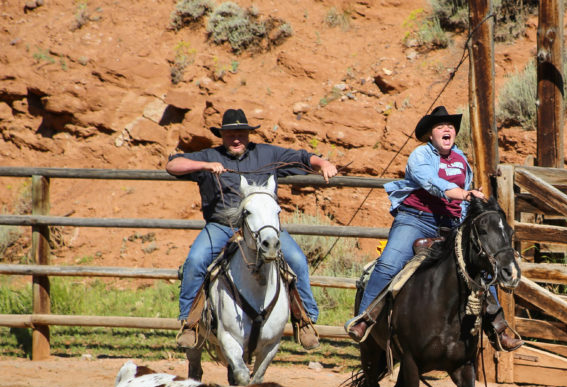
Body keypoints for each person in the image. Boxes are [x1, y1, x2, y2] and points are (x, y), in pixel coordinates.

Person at [345, 105, 522, 351]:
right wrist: (464, 194)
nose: (447, 129)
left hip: (450, 225)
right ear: (430, 134)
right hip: (416, 219)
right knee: (389, 264)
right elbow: (433, 183)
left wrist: (471, 208)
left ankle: (498, 328)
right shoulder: (421, 156)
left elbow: (463, 198)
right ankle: (365, 319)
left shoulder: (462, 160)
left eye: (450, 126)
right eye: (440, 126)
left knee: (483, 264)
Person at [166, 108, 338, 351]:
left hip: (262, 227)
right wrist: (204, 166)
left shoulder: (267, 153)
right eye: (230, 135)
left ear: (248, 135)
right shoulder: (209, 155)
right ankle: (190, 323)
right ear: (222, 136)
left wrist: (323, 163)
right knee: (195, 260)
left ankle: (305, 320)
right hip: (222, 226)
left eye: (241, 134)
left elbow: (301, 157)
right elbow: (173, 165)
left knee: (297, 260)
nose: (236, 139)